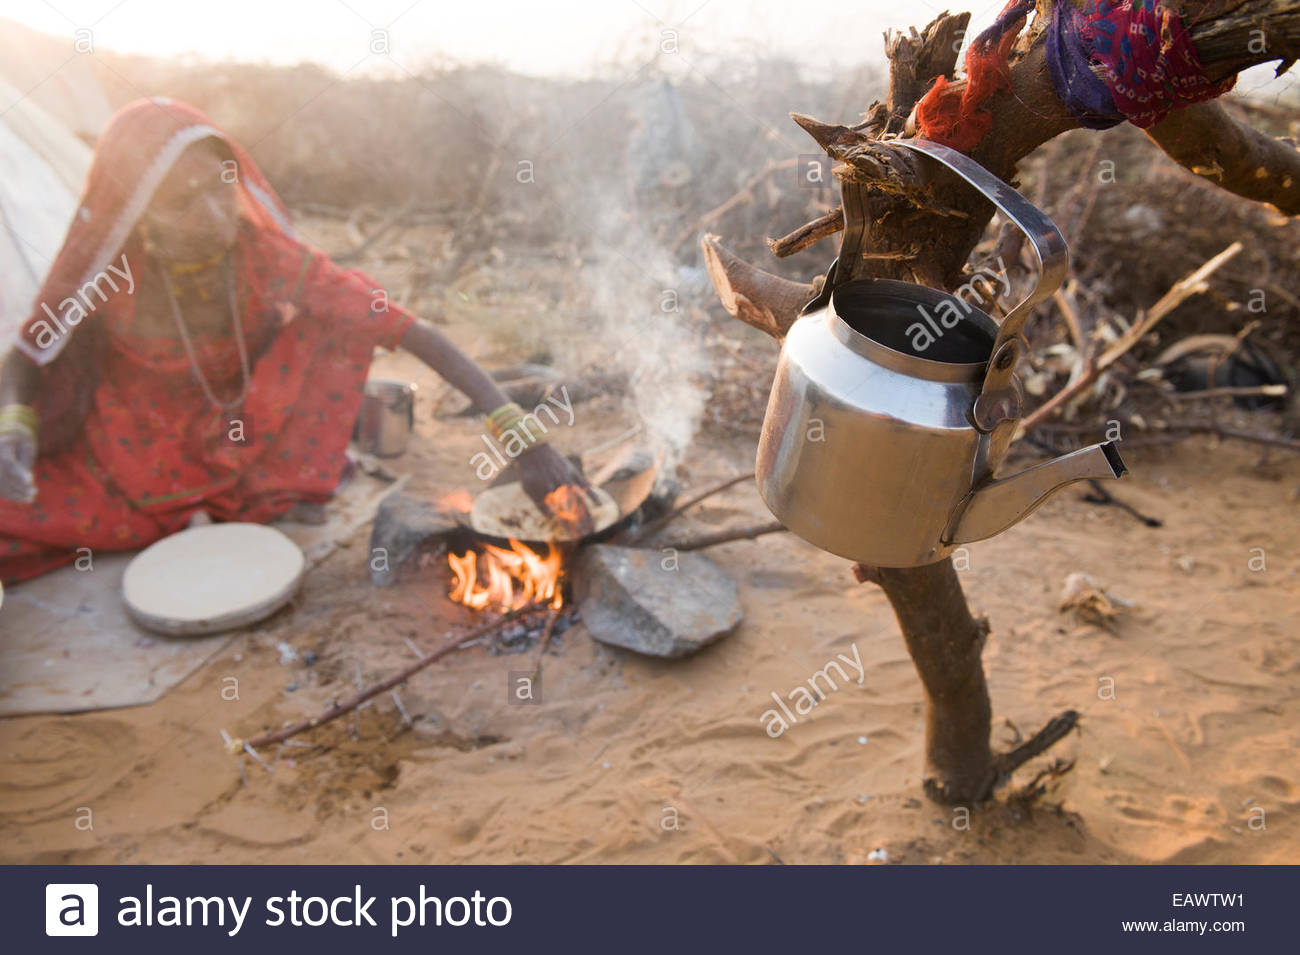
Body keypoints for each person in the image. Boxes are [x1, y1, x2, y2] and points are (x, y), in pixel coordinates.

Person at [0, 98, 588, 584]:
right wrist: (15, 426)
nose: (214, 214)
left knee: (342, 318)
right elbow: (29, 356)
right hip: (131, 454)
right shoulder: (106, 270)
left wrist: (524, 439)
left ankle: (263, 490)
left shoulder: (262, 258)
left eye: (219, 188)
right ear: (139, 214)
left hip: (242, 439)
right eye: (183, 202)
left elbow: (408, 327)